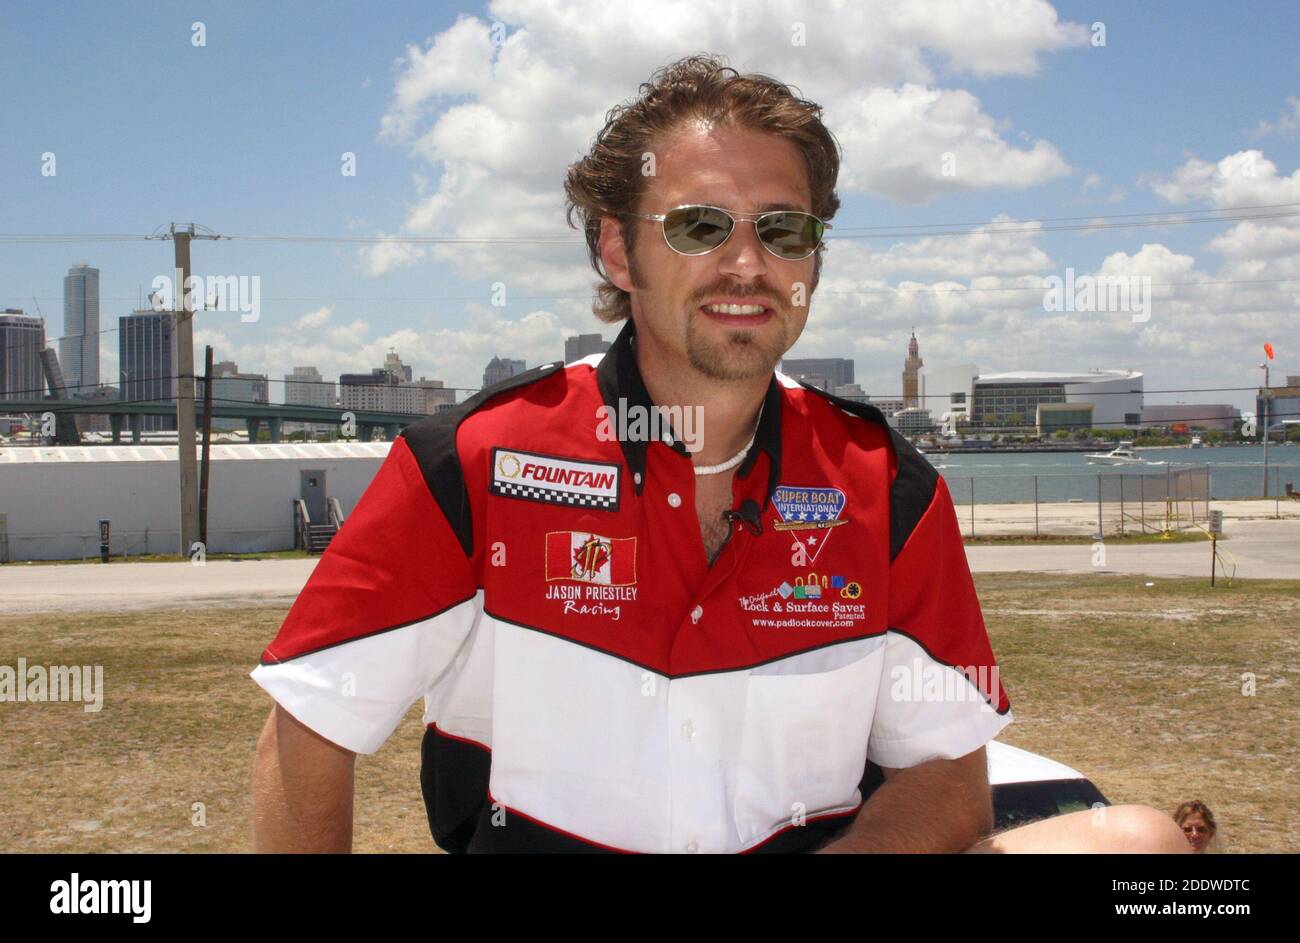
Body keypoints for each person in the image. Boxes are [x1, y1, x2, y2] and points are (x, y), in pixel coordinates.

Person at [250, 53, 1188, 854]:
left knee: (1144, 845)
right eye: (699, 226)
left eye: (783, 228)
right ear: (619, 253)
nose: (747, 263)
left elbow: (947, 777)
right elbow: (311, 723)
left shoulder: (888, 489)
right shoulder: (473, 462)